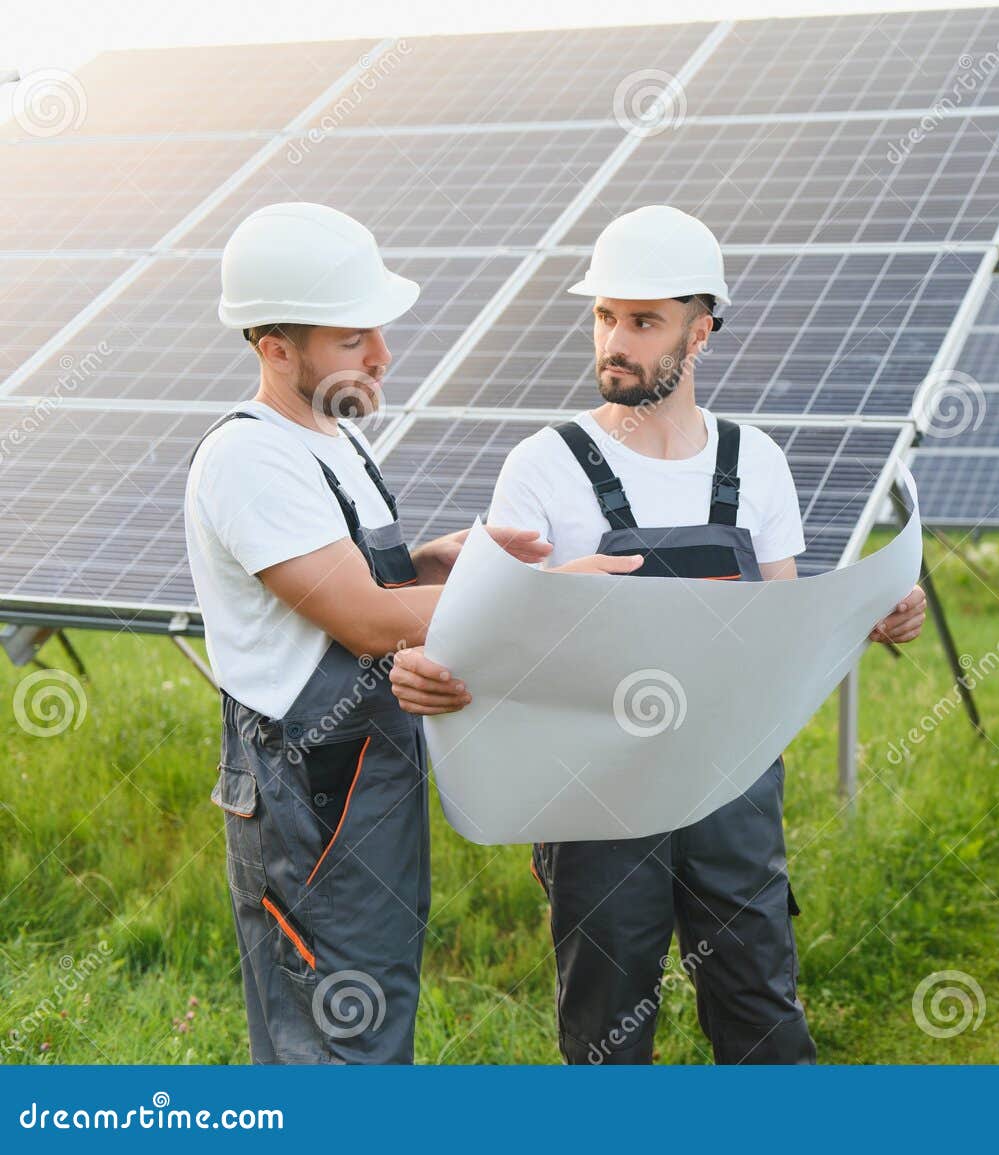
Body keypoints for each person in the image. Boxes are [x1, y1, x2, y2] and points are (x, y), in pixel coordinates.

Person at [388, 205, 926, 1064]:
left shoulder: (757, 462)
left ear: (700, 330)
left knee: (763, 1015)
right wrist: (427, 668)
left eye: (644, 321)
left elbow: (777, 634)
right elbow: (488, 639)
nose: (616, 340)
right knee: (605, 1033)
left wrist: (876, 616)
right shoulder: (543, 466)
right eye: (605, 316)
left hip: (733, 783)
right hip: (593, 797)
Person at [185, 201, 640, 1064]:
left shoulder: (331, 438)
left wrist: (443, 560)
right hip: (309, 788)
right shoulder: (250, 457)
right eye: (354, 338)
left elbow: (369, 581)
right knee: (333, 1031)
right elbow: (362, 619)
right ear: (274, 346)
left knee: (374, 1001)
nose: (383, 357)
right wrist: (531, 593)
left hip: (364, 775)